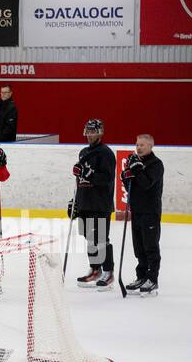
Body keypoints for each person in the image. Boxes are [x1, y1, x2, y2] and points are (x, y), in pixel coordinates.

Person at [70, 118, 117, 289]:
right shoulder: (83, 152)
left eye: (93, 132)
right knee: (90, 239)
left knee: (101, 239)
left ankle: (108, 272)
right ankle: (95, 270)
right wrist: (75, 201)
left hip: (100, 203)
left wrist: (87, 174)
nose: (89, 135)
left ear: (100, 133)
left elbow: (107, 179)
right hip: (85, 203)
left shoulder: (106, 153)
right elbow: (80, 179)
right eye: (88, 132)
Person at [121, 134, 165, 297]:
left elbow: (147, 184)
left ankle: (152, 279)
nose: (138, 147)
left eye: (142, 145)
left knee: (150, 246)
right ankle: (141, 276)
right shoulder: (134, 162)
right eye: (137, 144)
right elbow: (131, 185)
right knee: (139, 247)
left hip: (150, 212)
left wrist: (137, 170)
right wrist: (126, 176)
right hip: (137, 211)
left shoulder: (156, 164)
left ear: (150, 146)